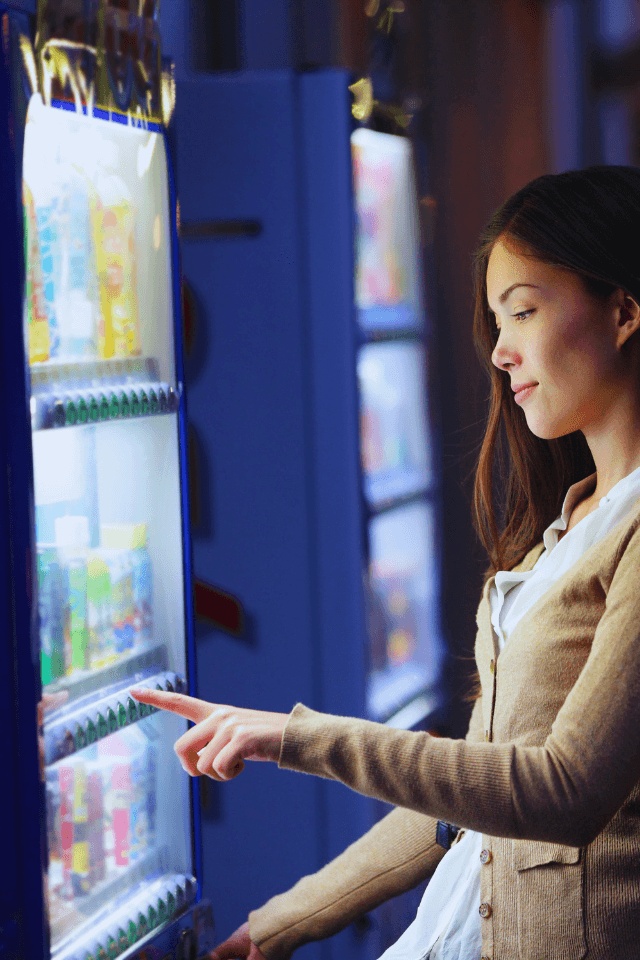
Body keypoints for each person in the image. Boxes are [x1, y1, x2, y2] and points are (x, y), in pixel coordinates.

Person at [132, 165, 640, 960]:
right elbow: (463, 802)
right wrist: (279, 927)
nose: (502, 353)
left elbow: (563, 791)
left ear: (623, 311)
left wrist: (295, 737)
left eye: (524, 311)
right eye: (496, 323)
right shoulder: (571, 520)